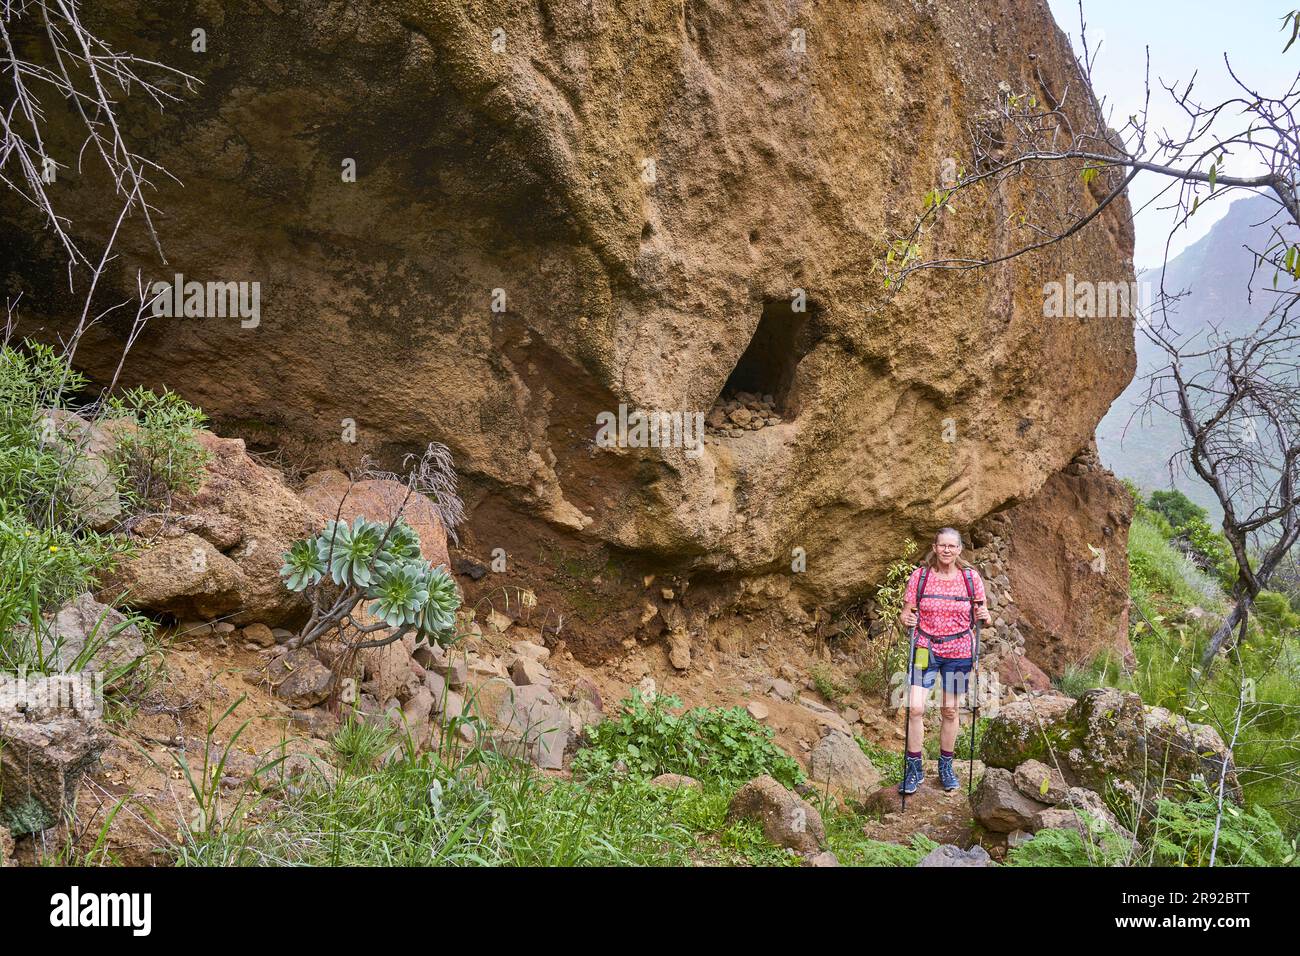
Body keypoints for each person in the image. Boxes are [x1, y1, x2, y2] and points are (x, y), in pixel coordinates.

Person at [897, 527, 992, 794]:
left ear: (960, 549)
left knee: (949, 710)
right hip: (925, 647)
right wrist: (908, 618)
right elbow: (906, 614)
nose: (947, 550)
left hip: (959, 650)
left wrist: (984, 615)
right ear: (935, 547)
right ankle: (914, 770)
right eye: (942, 546)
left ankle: (945, 767)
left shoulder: (971, 579)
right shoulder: (921, 577)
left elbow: (983, 615)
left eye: (952, 546)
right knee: (915, 708)